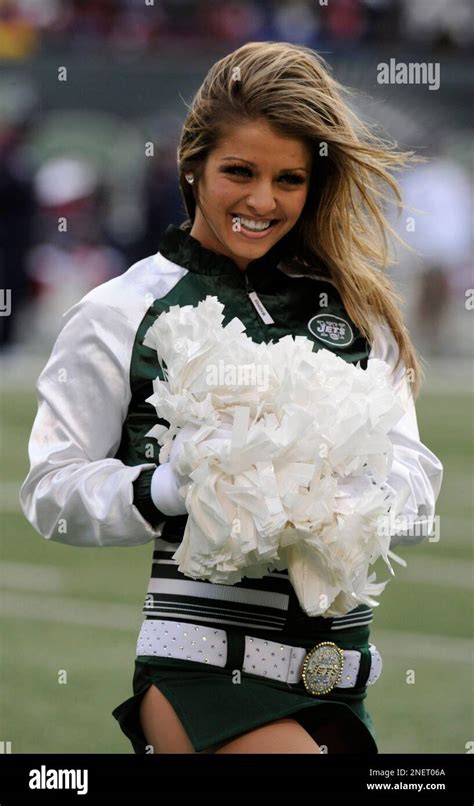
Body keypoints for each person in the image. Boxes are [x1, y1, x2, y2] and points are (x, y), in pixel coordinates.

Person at [19, 41, 443, 755]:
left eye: (289, 179)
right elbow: (50, 491)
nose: (261, 200)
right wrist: (174, 485)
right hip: (205, 671)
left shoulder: (359, 311)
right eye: (238, 172)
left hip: (340, 688)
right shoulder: (119, 311)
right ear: (193, 167)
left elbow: (418, 490)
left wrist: (334, 491)